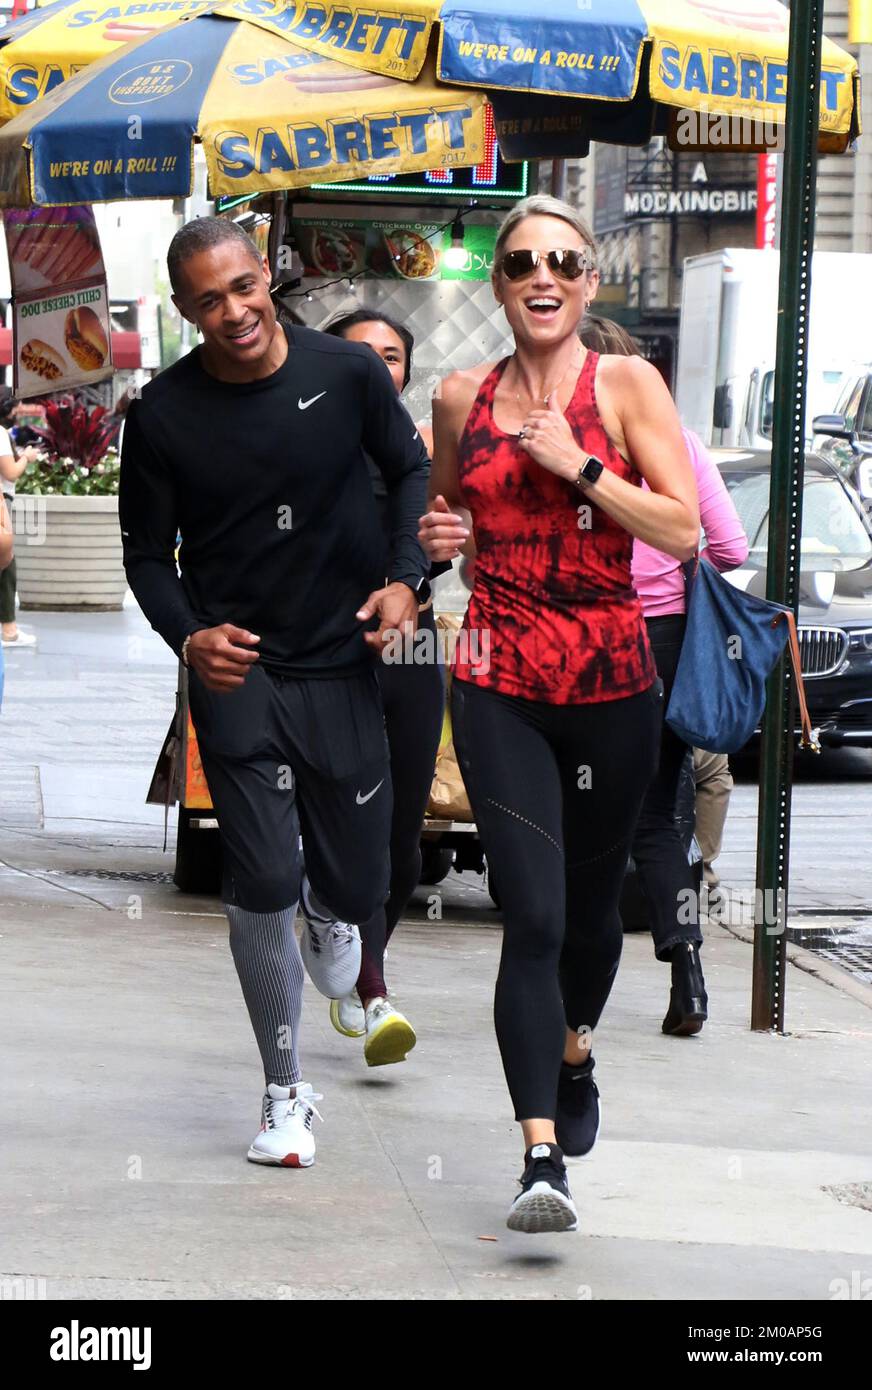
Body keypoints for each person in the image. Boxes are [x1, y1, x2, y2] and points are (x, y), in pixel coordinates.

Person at [119, 217, 430, 1169]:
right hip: (242, 670)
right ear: (186, 310)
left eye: (243, 288)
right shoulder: (164, 415)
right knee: (260, 881)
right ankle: (284, 1090)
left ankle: (339, 918)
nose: (233, 312)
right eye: (209, 300)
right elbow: (145, 555)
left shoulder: (347, 376)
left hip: (342, 657)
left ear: (269, 278)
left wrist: (406, 577)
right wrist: (190, 634)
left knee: (364, 880)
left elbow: (411, 470)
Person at [419, 195, 699, 1233]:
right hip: (496, 676)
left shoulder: (623, 384)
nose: (541, 275)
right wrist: (433, 538)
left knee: (588, 918)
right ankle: (540, 1156)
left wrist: (576, 464)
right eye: (520, 260)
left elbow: (679, 533)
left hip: (611, 683)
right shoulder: (458, 395)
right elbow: (444, 520)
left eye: (562, 261)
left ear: (588, 281)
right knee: (528, 916)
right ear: (498, 281)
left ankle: (573, 1046)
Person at [579, 315, 748, 1036]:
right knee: (655, 819)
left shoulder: (565, 448)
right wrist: (669, 574)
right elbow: (731, 548)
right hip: (671, 644)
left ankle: (567, 975)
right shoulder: (678, 446)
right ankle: (689, 972)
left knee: (576, 810)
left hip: (589, 641)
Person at [322, 307, 444, 1065]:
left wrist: (444, 548)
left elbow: (456, 549)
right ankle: (371, 989)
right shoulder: (301, 447)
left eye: (392, 354)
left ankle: (362, 964)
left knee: (402, 848)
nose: (376, 364)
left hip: (409, 650)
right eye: (359, 351)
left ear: (405, 372)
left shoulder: (428, 453)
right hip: (324, 653)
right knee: (352, 832)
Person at [0, 390, 39, 649]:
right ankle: (9, 629)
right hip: (1, 499)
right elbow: (10, 473)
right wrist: (27, 456)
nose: (19, 412)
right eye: (17, 407)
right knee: (7, 561)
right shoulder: (0, 434)